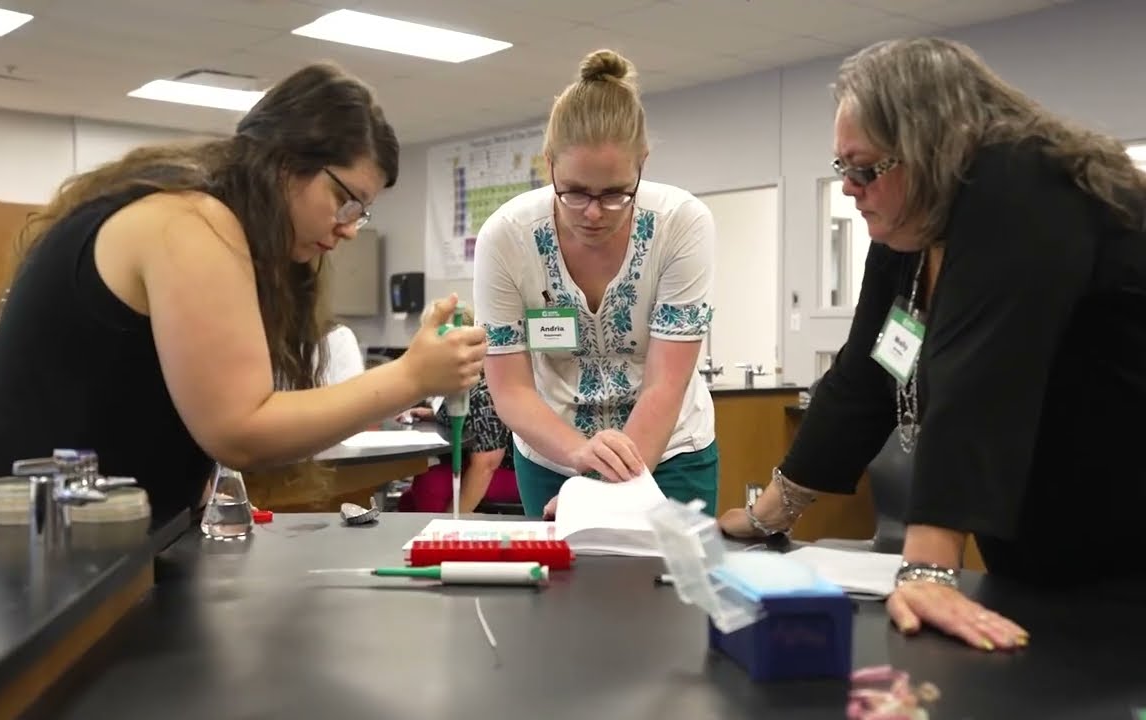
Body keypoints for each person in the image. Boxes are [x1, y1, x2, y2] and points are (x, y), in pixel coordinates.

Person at [0, 62, 486, 519]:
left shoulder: (205, 219)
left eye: (363, 211)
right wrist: (410, 377)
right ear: (285, 162)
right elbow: (241, 430)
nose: (350, 227)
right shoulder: (192, 223)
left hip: (56, 526)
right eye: (346, 199)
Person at [717, 37, 1146, 652]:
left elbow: (984, 380)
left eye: (865, 169)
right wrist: (769, 515)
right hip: (1049, 548)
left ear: (934, 149)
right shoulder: (912, 233)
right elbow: (865, 377)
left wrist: (927, 570)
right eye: (844, 169)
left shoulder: (1026, 178)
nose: (849, 188)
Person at [473, 49, 718, 518]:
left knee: (668, 588)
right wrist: (578, 457)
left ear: (642, 163)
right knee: (561, 589)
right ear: (549, 165)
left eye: (614, 194)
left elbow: (664, 384)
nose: (592, 212)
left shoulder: (680, 224)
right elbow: (511, 390)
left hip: (669, 454)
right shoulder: (506, 238)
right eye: (576, 191)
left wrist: (600, 492)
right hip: (552, 453)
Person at [397, 305, 520, 514]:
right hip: (477, 466)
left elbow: (486, 465)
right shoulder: (459, 382)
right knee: (408, 499)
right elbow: (464, 414)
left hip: (506, 473)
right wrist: (433, 414)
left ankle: (438, 541)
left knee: (430, 483)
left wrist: (453, 518)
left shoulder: (482, 393)